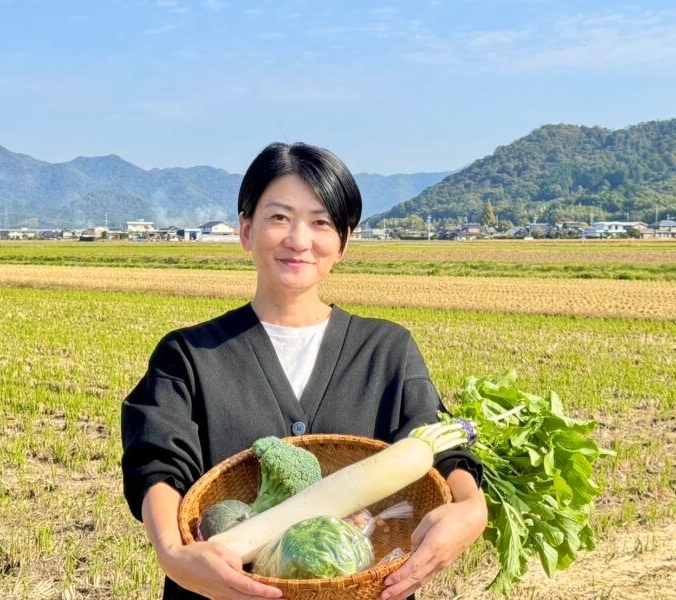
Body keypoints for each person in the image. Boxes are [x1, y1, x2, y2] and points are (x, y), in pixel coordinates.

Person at [121, 142, 488, 600]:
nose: (299, 239)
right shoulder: (189, 355)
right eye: (279, 217)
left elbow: (443, 450)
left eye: (321, 222)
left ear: (344, 242)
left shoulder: (387, 349)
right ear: (245, 229)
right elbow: (159, 466)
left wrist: (472, 510)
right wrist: (172, 553)